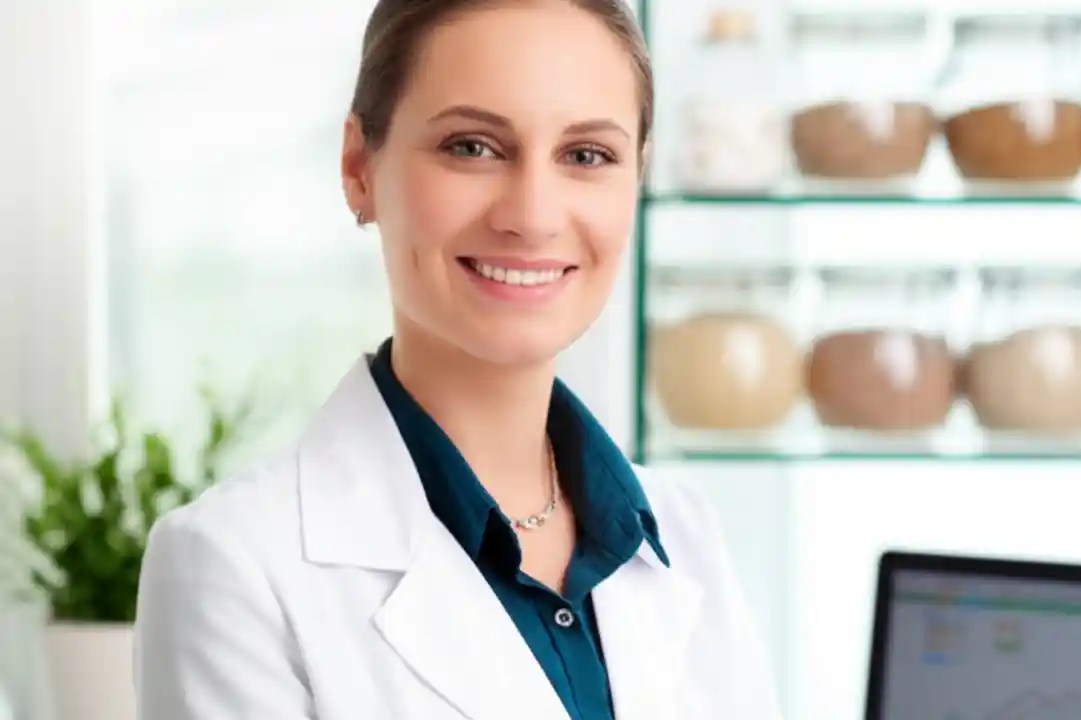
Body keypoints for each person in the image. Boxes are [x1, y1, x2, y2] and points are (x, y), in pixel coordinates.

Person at [133, 1, 783, 718]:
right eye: (472, 147)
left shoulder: (685, 534)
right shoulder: (234, 565)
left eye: (586, 156)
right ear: (359, 168)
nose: (532, 215)